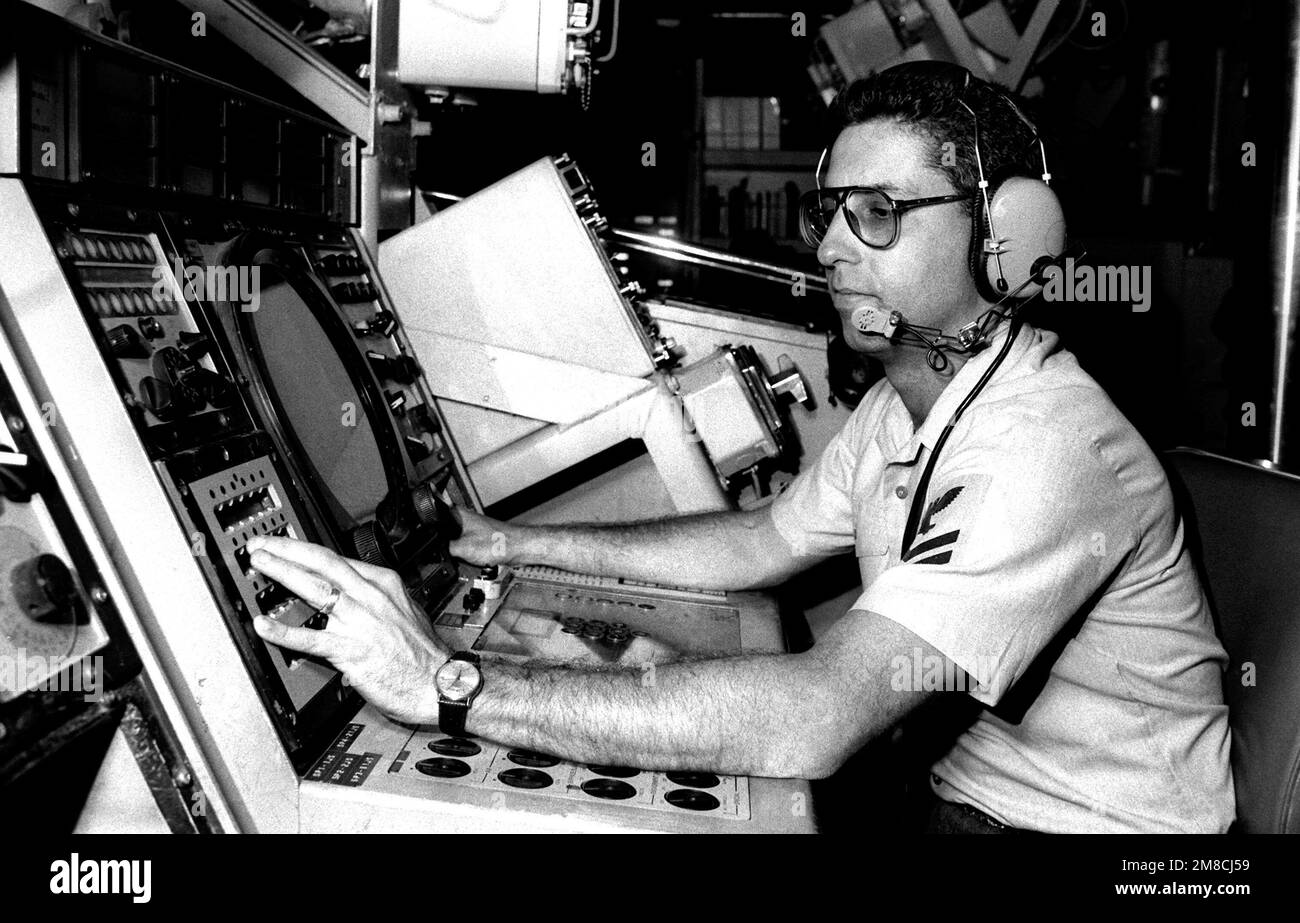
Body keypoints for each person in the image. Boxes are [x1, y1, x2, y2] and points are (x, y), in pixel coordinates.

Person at [249, 63, 1235, 833]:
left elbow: (814, 717)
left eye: (879, 212)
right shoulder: (907, 403)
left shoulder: (1046, 445)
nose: (833, 247)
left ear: (1007, 240)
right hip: (966, 794)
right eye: (830, 213)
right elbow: (759, 542)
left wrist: (448, 684)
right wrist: (511, 546)